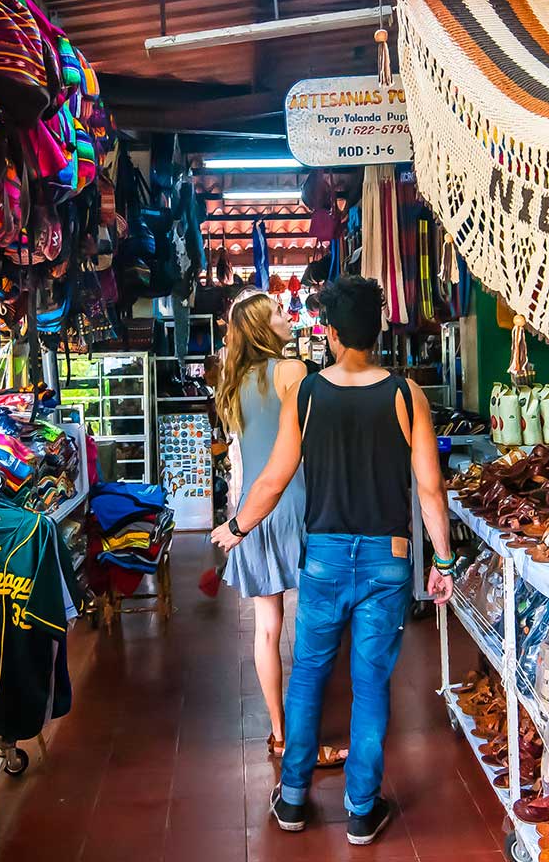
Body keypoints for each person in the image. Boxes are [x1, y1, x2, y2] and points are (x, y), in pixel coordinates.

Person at [212, 275, 456, 847]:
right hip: (387, 562)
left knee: (309, 678)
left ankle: (293, 799)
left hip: (321, 558)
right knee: (371, 685)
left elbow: (273, 478)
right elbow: (430, 490)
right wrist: (442, 561)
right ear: (376, 329)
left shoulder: (309, 394)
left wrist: (236, 528)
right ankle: (360, 810)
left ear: (332, 331)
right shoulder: (406, 394)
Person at [211, 290, 347, 770]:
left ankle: (279, 733)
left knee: (268, 630)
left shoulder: (231, 383)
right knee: (314, 626)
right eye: (277, 314)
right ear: (261, 329)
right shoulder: (291, 371)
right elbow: (317, 439)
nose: (287, 318)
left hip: (250, 512)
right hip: (295, 504)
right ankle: (310, 736)